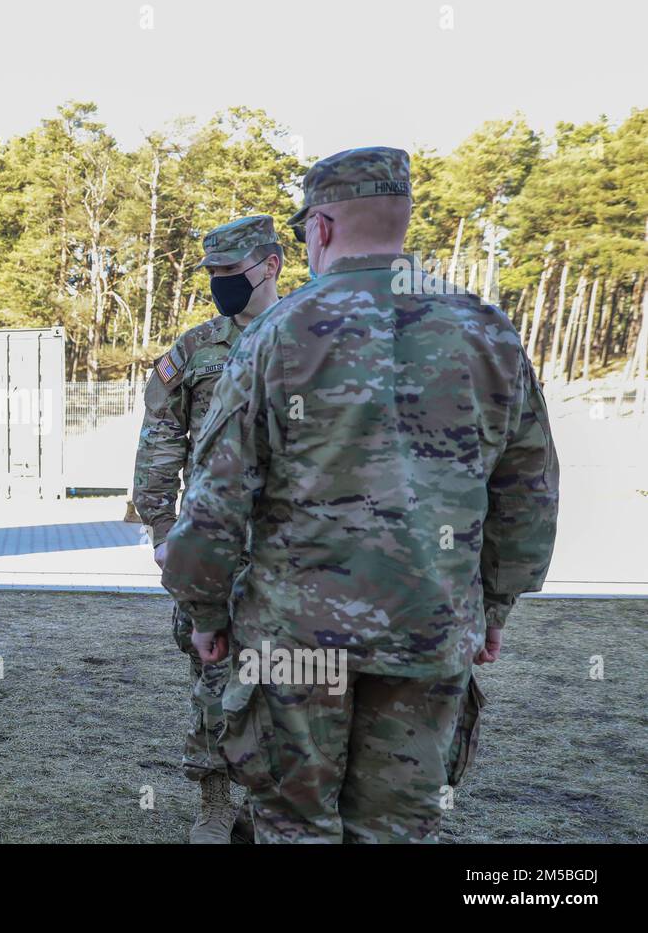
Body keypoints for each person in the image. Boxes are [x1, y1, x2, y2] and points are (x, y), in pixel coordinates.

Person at [162, 148, 559, 842]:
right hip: (430, 628)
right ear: (402, 221)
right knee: (396, 828)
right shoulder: (487, 330)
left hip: (294, 640)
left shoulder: (275, 335)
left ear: (318, 229)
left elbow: (218, 491)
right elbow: (528, 488)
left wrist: (203, 609)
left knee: (293, 824)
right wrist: (495, 606)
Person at [131, 214, 282, 842]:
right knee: (213, 673)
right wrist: (163, 528)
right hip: (214, 544)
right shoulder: (193, 351)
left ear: (270, 264)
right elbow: (160, 440)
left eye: (230, 271)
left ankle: (271, 804)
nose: (219, 282)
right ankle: (215, 803)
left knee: (293, 677)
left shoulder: (314, 340)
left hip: (292, 546)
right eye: (212, 273)